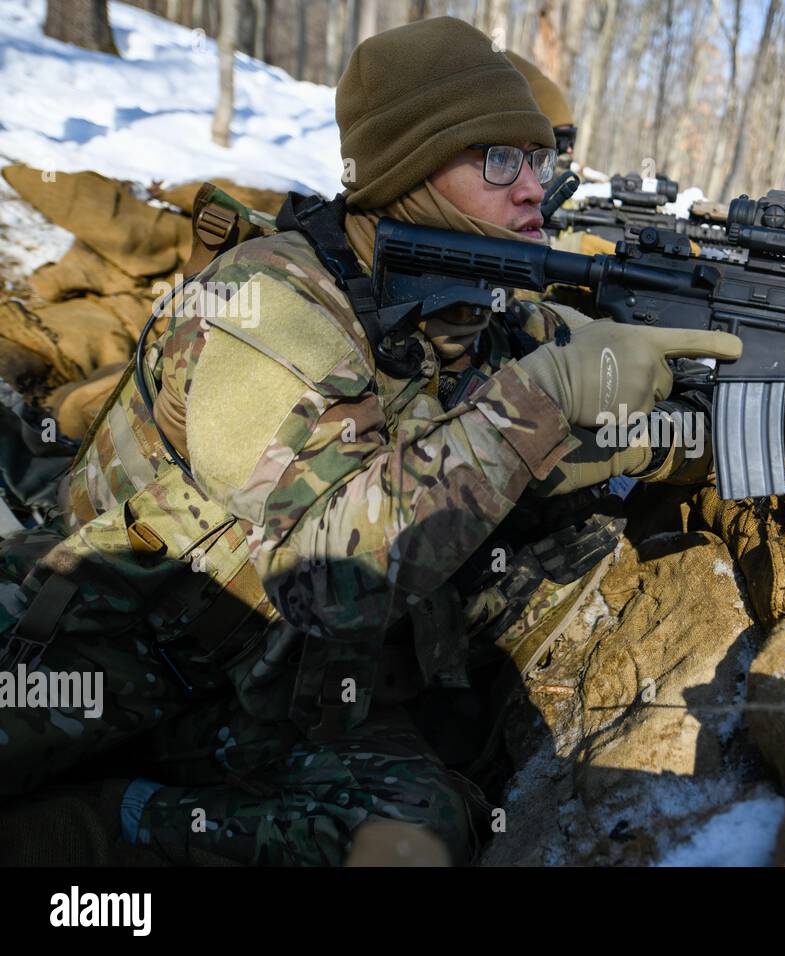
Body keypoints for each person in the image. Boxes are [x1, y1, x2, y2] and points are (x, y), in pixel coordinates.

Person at [0, 16, 739, 867]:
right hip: (92, 656)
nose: (534, 187)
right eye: (498, 160)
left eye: (540, 159)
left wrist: (752, 392)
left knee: (412, 837)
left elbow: (549, 412)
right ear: (408, 172)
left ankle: (106, 824)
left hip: (263, 695)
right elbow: (322, 577)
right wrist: (547, 398)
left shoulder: (475, 307)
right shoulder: (266, 305)